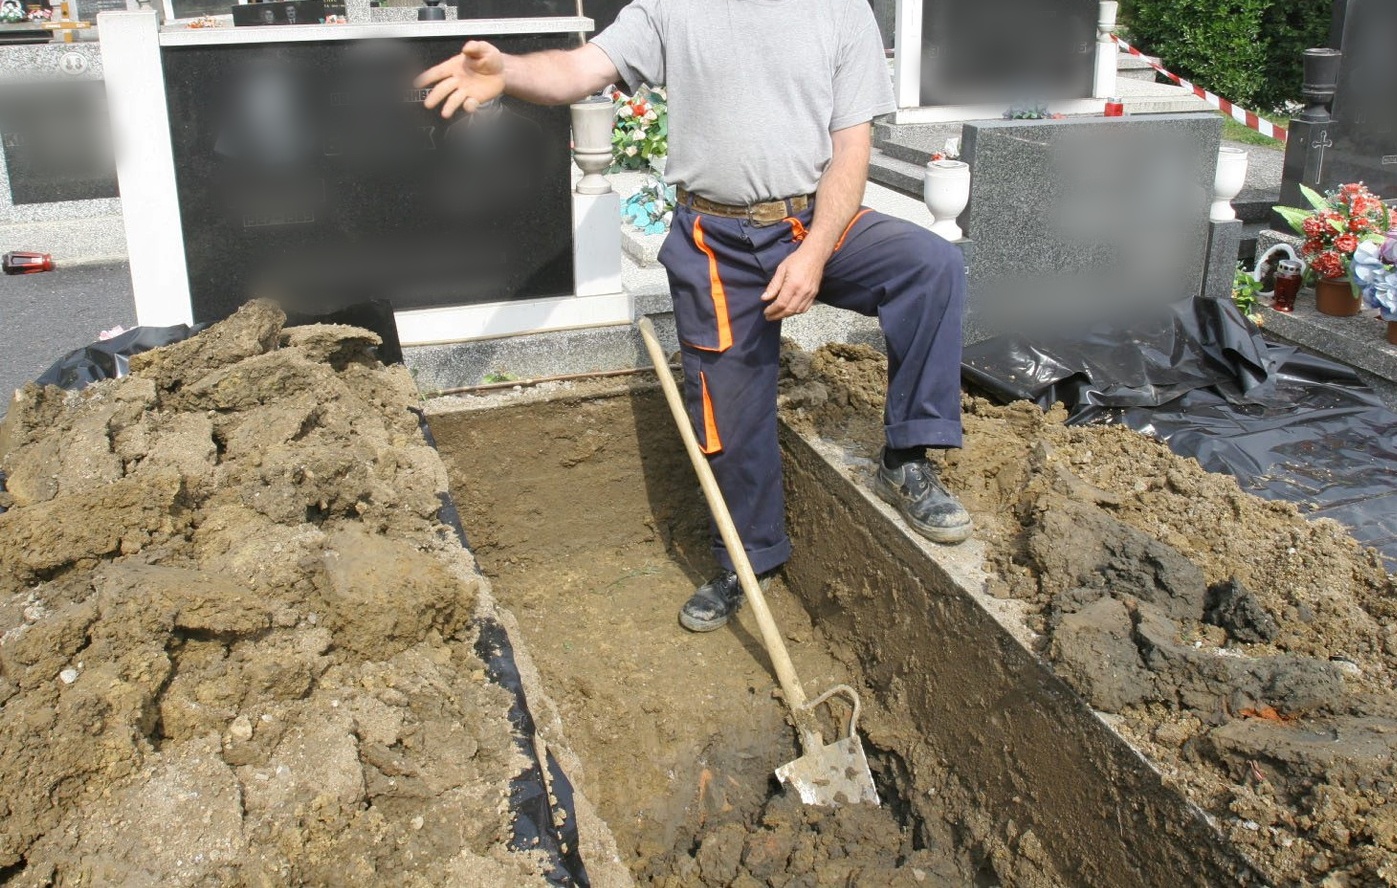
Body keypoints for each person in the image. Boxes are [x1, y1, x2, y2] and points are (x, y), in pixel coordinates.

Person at [416, 0, 971, 633]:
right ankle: (748, 559)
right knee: (728, 413)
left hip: (811, 221)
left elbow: (851, 148)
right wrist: (508, 72)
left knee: (930, 266)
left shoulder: (842, 11)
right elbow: (579, 68)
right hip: (716, 241)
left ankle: (908, 458)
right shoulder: (671, 7)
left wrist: (814, 254)